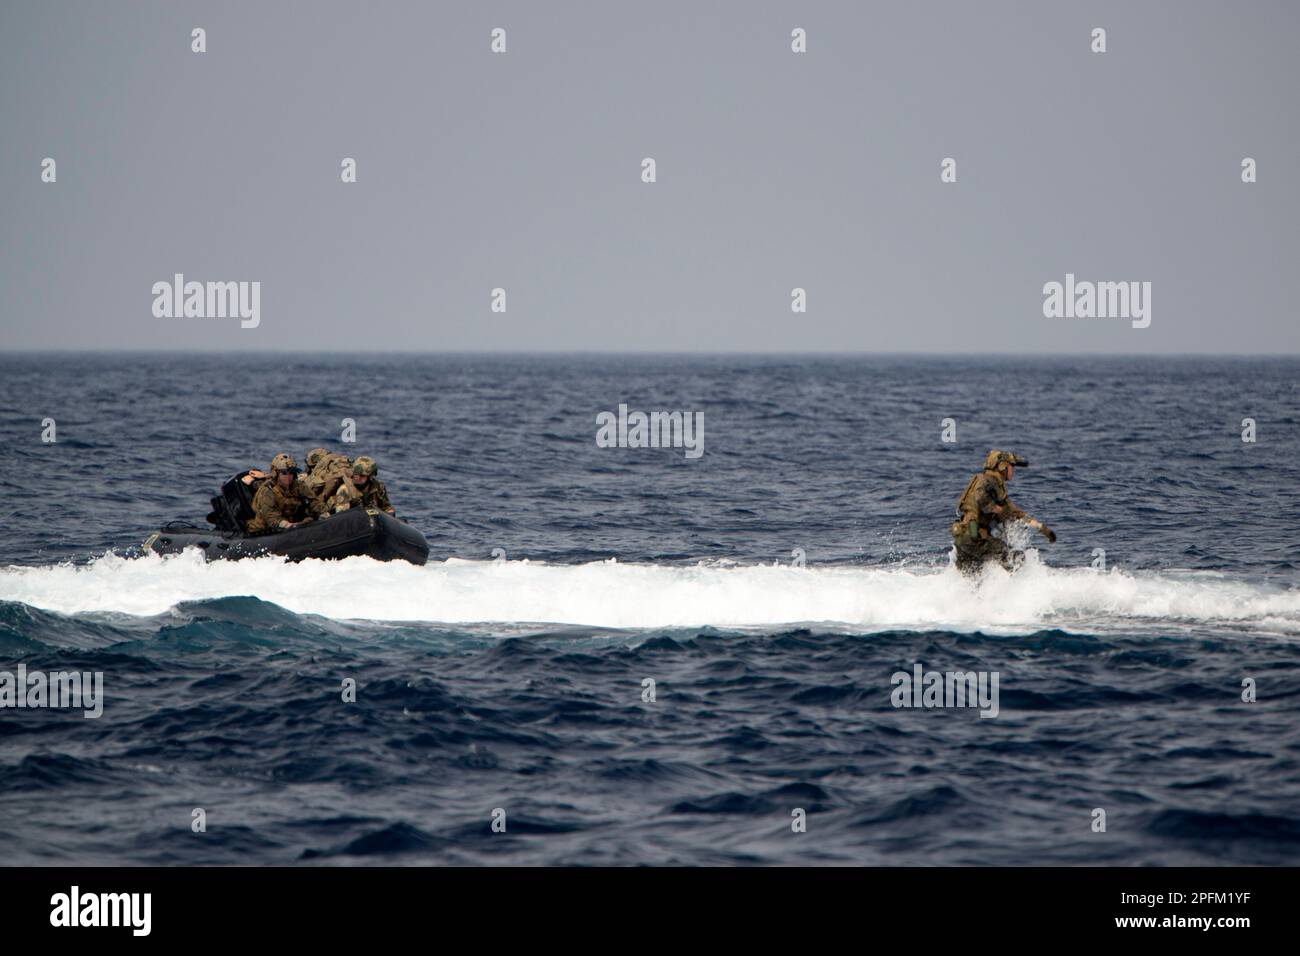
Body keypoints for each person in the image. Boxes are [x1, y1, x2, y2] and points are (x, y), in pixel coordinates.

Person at [951, 449, 1056, 573]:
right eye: (1012, 466)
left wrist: (1041, 527)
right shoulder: (989, 481)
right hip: (975, 539)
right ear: (1003, 467)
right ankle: (1015, 590)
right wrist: (996, 509)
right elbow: (980, 497)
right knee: (1015, 559)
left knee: (972, 580)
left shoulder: (991, 484)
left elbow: (1015, 513)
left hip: (963, 540)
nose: (1014, 470)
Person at [245, 454, 323, 533]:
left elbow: (313, 502)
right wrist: (285, 524)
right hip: (268, 529)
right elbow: (271, 516)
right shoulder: (268, 491)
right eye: (284, 473)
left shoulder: (299, 486)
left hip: (292, 522)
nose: (288, 477)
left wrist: (323, 513)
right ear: (276, 474)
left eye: (291, 472)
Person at [330, 456, 396, 516]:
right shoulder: (345, 489)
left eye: (362, 476)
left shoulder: (378, 487)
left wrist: (390, 513)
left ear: (369, 477)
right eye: (356, 474)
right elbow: (342, 516)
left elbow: (386, 507)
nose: (357, 478)